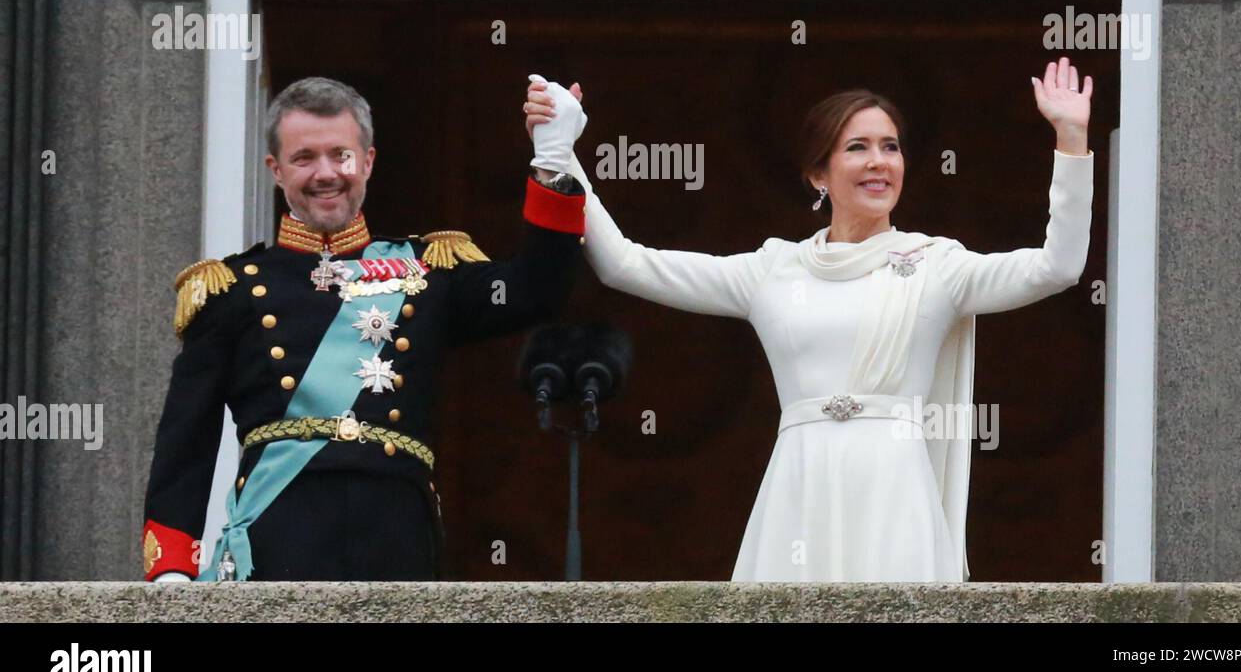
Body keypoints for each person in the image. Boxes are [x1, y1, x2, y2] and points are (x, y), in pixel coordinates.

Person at [523, 57, 1094, 581]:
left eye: (891, 147)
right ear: (819, 175)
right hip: (798, 487)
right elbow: (625, 264)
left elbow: (1057, 267)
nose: (879, 162)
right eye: (858, 147)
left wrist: (1071, 140)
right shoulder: (773, 270)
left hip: (895, 491)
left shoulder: (937, 265)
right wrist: (561, 153)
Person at [142, 75, 588, 582]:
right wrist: (173, 571)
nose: (325, 173)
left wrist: (554, 161)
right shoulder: (232, 290)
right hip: (280, 533)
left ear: (369, 161)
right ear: (276, 170)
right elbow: (186, 439)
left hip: (397, 534)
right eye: (304, 157)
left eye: (341, 155)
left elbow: (537, 289)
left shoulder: (429, 271)